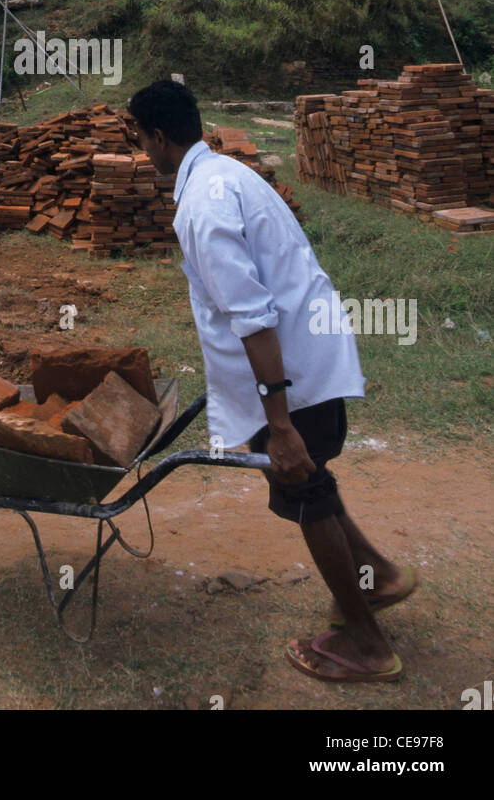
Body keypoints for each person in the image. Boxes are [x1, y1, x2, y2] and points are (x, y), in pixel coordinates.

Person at [127, 80, 409, 685]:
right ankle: (380, 576)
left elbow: (252, 318)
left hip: (292, 372)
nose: (142, 152)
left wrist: (278, 425)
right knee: (313, 482)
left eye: (141, 141)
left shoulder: (202, 203)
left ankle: (366, 645)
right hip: (308, 355)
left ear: (156, 137)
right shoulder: (225, 174)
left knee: (303, 490)